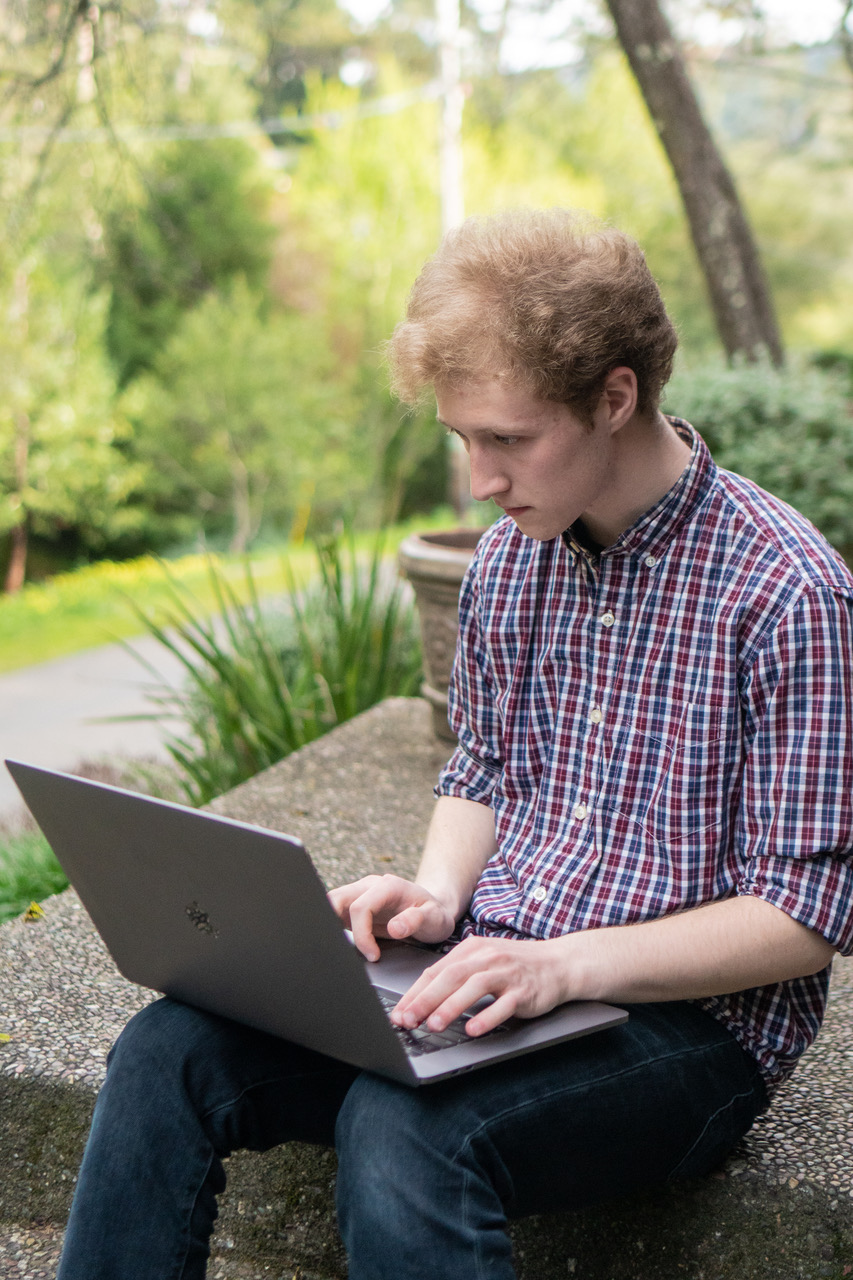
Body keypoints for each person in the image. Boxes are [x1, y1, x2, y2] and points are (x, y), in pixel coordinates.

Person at [57, 209, 853, 1280]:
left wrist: (562, 963)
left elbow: (800, 916)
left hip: (688, 1032)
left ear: (615, 397)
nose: (480, 476)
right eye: (462, 438)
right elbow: (483, 767)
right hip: (493, 972)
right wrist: (437, 895)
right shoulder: (508, 563)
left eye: (507, 438)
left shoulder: (789, 593)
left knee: (405, 1129)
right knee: (168, 1052)